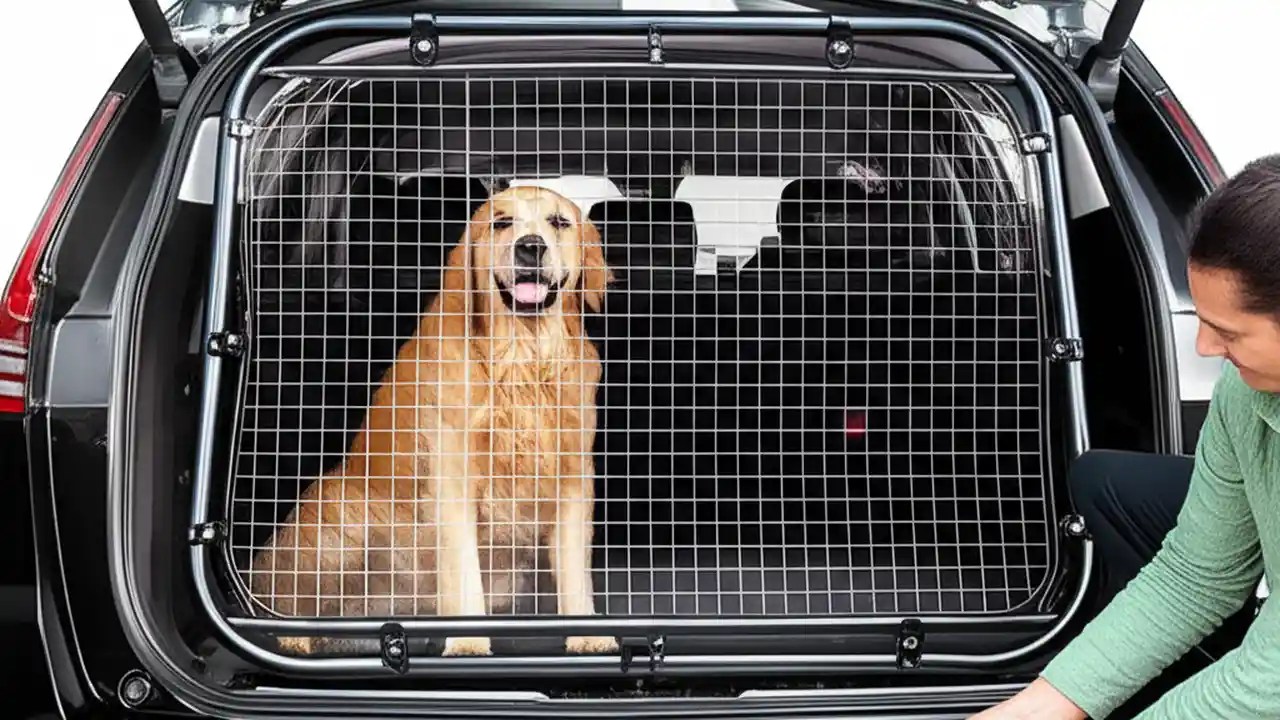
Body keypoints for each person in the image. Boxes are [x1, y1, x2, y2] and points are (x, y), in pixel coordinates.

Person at [972, 153, 1280, 719]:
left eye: (1227, 331)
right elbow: (1193, 575)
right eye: (1202, 319)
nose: (1204, 348)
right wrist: (1036, 709)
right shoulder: (1245, 394)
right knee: (1109, 481)